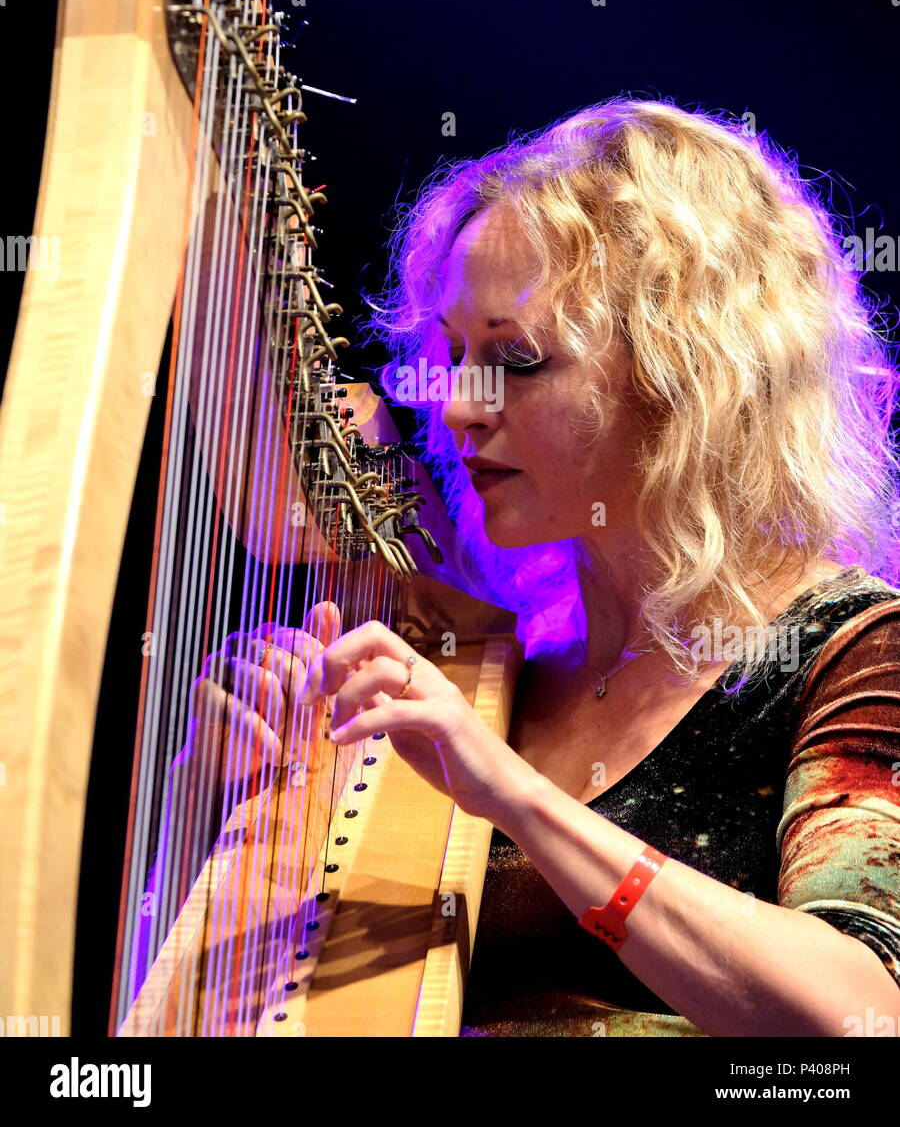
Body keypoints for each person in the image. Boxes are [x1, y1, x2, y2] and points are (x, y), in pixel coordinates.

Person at [179, 97, 900, 1036]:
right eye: (452, 355)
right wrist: (218, 787)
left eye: (517, 359)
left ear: (686, 375)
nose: (459, 409)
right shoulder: (490, 675)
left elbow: (859, 1013)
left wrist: (514, 797)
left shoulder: (851, 651)